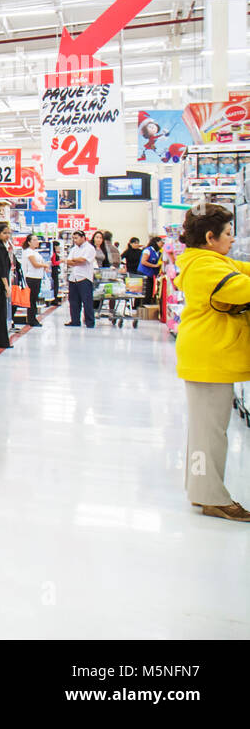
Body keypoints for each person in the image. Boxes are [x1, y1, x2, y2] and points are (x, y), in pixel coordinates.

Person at [172, 204, 250, 521]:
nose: (232, 240)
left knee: (205, 431)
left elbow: (242, 269)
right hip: (208, 358)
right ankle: (211, 497)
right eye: (228, 234)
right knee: (210, 433)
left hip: (210, 356)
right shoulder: (205, 267)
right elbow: (240, 286)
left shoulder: (209, 260)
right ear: (209, 237)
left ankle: (200, 490)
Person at [64, 230, 97, 328]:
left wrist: (75, 260)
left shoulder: (89, 248)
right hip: (73, 277)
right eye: (73, 238)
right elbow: (69, 262)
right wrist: (76, 261)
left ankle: (89, 322)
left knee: (86, 301)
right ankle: (75, 320)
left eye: (76, 238)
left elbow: (83, 260)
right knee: (73, 300)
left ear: (83, 237)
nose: (75, 240)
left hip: (84, 277)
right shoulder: (74, 249)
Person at [21, 234, 49, 327]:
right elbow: (35, 264)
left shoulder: (35, 252)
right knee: (32, 300)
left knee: (33, 299)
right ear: (29, 242)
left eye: (37, 240)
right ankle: (32, 320)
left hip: (37, 277)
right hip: (31, 278)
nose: (37, 241)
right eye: (34, 240)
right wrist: (44, 265)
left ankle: (32, 318)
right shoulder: (28, 252)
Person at [139, 235, 164, 305]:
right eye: (161, 242)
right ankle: (142, 306)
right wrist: (154, 266)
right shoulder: (148, 250)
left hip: (151, 274)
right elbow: (143, 261)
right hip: (144, 273)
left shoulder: (159, 252)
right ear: (156, 242)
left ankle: (147, 304)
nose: (162, 244)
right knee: (146, 291)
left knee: (150, 292)